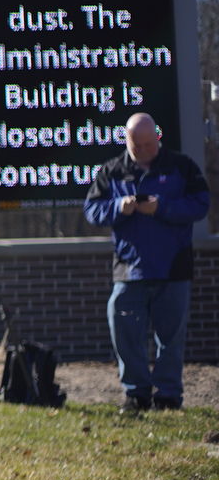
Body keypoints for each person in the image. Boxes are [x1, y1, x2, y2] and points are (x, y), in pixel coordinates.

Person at [83, 112, 210, 412]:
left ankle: (167, 396)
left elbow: (201, 203)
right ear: (126, 141)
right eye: (135, 145)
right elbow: (91, 209)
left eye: (147, 144)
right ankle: (136, 394)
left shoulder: (182, 166)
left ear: (158, 137)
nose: (141, 150)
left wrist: (161, 207)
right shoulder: (112, 171)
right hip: (129, 268)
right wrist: (118, 207)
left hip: (173, 268)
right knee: (121, 324)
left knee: (171, 338)